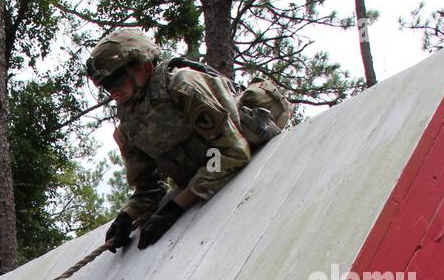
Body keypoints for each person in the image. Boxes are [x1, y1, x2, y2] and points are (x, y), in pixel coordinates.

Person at [86, 28, 291, 251]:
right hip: (202, 181)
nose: (112, 92)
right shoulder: (128, 126)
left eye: (116, 81)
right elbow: (149, 188)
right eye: (106, 86)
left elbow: (233, 152)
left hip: (245, 172)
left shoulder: (183, 85)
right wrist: (126, 216)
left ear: (144, 67)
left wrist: (178, 206)